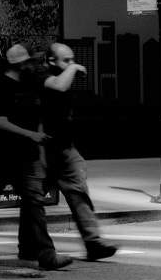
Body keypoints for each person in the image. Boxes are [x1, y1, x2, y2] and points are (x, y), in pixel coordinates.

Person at [0, 44, 72, 270]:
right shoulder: (1, 87)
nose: (32, 64)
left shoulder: (29, 84)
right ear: (19, 64)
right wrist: (32, 135)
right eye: (29, 62)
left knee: (34, 202)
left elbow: (40, 110)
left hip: (25, 156)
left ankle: (45, 254)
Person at [39, 42, 117, 261]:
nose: (71, 64)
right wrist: (73, 69)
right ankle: (27, 244)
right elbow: (58, 86)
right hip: (44, 148)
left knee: (78, 192)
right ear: (51, 61)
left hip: (64, 149)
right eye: (66, 60)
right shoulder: (43, 76)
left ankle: (92, 242)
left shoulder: (62, 74)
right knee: (33, 200)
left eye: (73, 59)